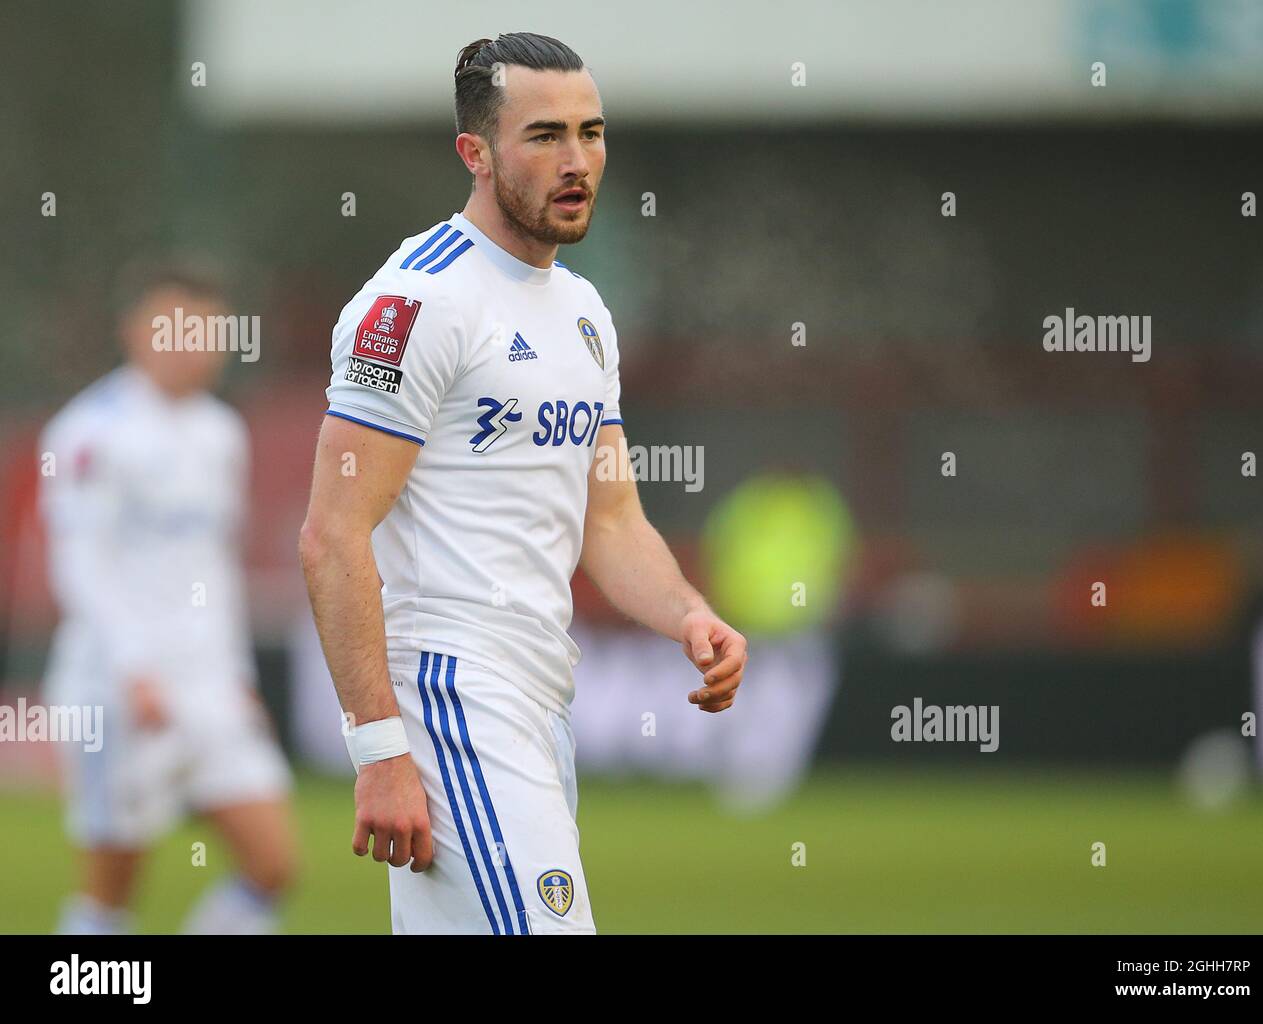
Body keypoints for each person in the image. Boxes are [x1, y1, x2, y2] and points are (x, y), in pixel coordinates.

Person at [299, 32, 747, 934]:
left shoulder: (583, 311)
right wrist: (381, 749)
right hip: (451, 695)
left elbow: (611, 517)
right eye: (544, 136)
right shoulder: (416, 305)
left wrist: (687, 614)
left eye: (592, 131)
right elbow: (331, 536)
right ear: (475, 153)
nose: (577, 160)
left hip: (539, 697)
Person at [39, 264, 296, 934]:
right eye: (176, 328)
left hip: (206, 683)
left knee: (273, 864)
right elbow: (80, 562)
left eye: (207, 330)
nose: (193, 344)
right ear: (137, 332)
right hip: (120, 689)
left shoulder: (221, 433)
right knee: (110, 895)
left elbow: (217, 565)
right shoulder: (92, 431)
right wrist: (134, 669)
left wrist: (236, 676)